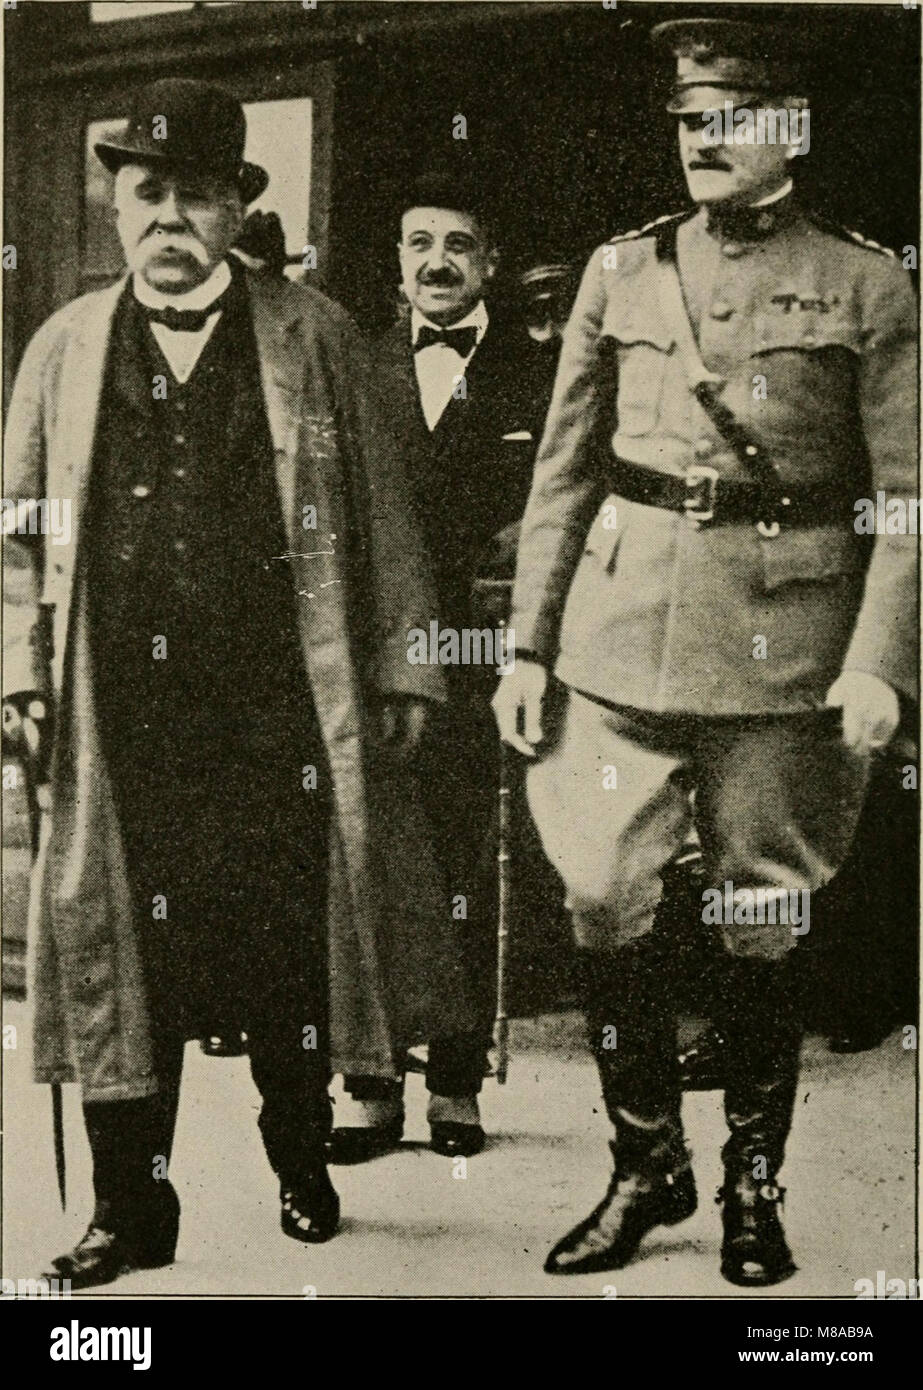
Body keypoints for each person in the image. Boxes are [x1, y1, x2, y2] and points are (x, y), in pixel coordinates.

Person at [493, 17, 917, 1286]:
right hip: (613, 643)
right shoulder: (619, 271)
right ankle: (641, 1165)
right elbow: (562, 475)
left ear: (787, 129)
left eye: (726, 117)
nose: (698, 140)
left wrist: (878, 660)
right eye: (685, 119)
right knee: (599, 892)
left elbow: (905, 499)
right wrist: (523, 645)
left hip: (783, 647)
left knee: (757, 919)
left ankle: (748, 1181)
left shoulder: (867, 283)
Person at [3, 79, 442, 1289]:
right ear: (113, 205)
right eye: (148, 195)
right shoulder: (62, 350)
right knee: (115, 956)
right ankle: (127, 1207)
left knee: (285, 947)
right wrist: (16, 668)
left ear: (236, 207)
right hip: (119, 714)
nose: (171, 221)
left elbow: (388, 517)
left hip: (280, 710)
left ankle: (299, 1158)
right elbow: (18, 533)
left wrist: (408, 660)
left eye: (198, 197)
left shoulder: (317, 335)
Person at [326, 170, 550, 1162]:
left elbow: (560, 511)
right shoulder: (356, 367)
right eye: (419, 242)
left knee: (466, 861)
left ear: (489, 262)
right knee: (366, 859)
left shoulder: (538, 375)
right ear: (398, 261)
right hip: (381, 654)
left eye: (458, 243)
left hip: (486, 653)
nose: (436, 262)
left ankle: (455, 1085)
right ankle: (367, 1085)